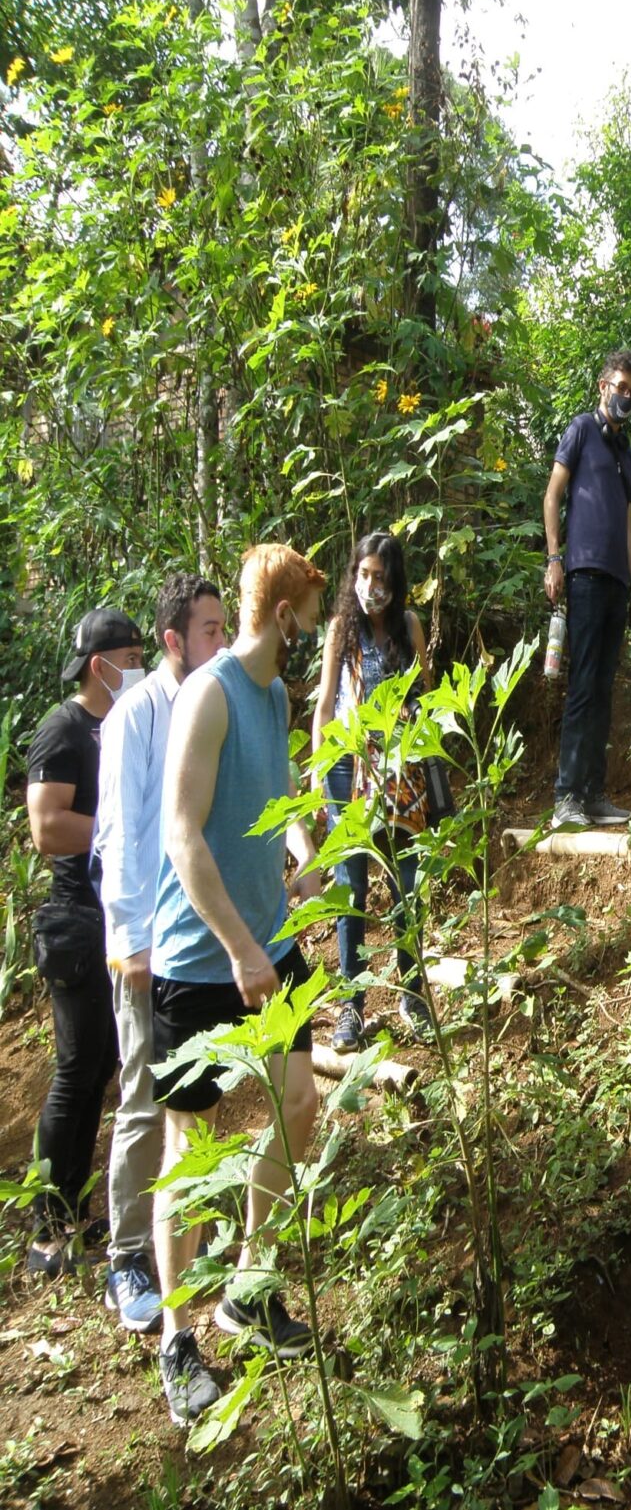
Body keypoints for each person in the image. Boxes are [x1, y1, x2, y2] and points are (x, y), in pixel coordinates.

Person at [150, 544, 327, 1424]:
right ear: (284, 613)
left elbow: (275, 805)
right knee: (190, 1153)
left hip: (268, 938)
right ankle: (177, 1339)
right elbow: (183, 837)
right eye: (309, 607)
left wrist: (307, 854)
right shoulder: (208, 693)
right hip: (199, 955)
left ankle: (249, 1287)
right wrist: (238, 950)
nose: (315, 622)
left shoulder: (277, 695)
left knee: (299, 1104)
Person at [95, 576, 225, 1330]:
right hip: (146, 942)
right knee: (145, 1096)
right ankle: (127, 1256)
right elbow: (120, 838)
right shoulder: (134, 717)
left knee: (196, 1099)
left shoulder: (205, 703)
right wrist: (132, 940)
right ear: (174, 640)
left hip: (197, 937)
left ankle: (190, 1241)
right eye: (208, 629)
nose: (219, 640)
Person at [25, 607, 145, 1277]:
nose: (140, 668)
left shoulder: (119, 724)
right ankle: (47, 1224)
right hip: (75, 920)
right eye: (132, 656)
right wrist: (118, 826)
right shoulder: (65, 728)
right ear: (101, 664)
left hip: (116, 915)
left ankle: (73, 1208)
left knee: (102, 1063)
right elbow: (46, 827)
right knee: (76, 1069)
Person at [313, 532, 431, 1051]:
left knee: (408, 885)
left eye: (379, 577)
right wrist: (318, 774)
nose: (369, 586)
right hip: (347, 770)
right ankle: (351, 1010)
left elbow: (426, 697)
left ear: (395, 580)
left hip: (404, 771)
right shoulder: (341, 628)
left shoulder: (409, 626)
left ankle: (412, 993)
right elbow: (323, 706)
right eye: (362, 575)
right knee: (352, 892)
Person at [544, 349, 631, 830]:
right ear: (602, 385)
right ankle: (567, 795)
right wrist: (554, 558)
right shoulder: (582, 430)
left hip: (616, 583)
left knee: (604, 688)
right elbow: (553, 494)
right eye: (619, 386)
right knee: (583, 686)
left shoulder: (625, 451)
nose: (625, 396)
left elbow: (628, 522)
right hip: (583, 574)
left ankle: (593, 794)